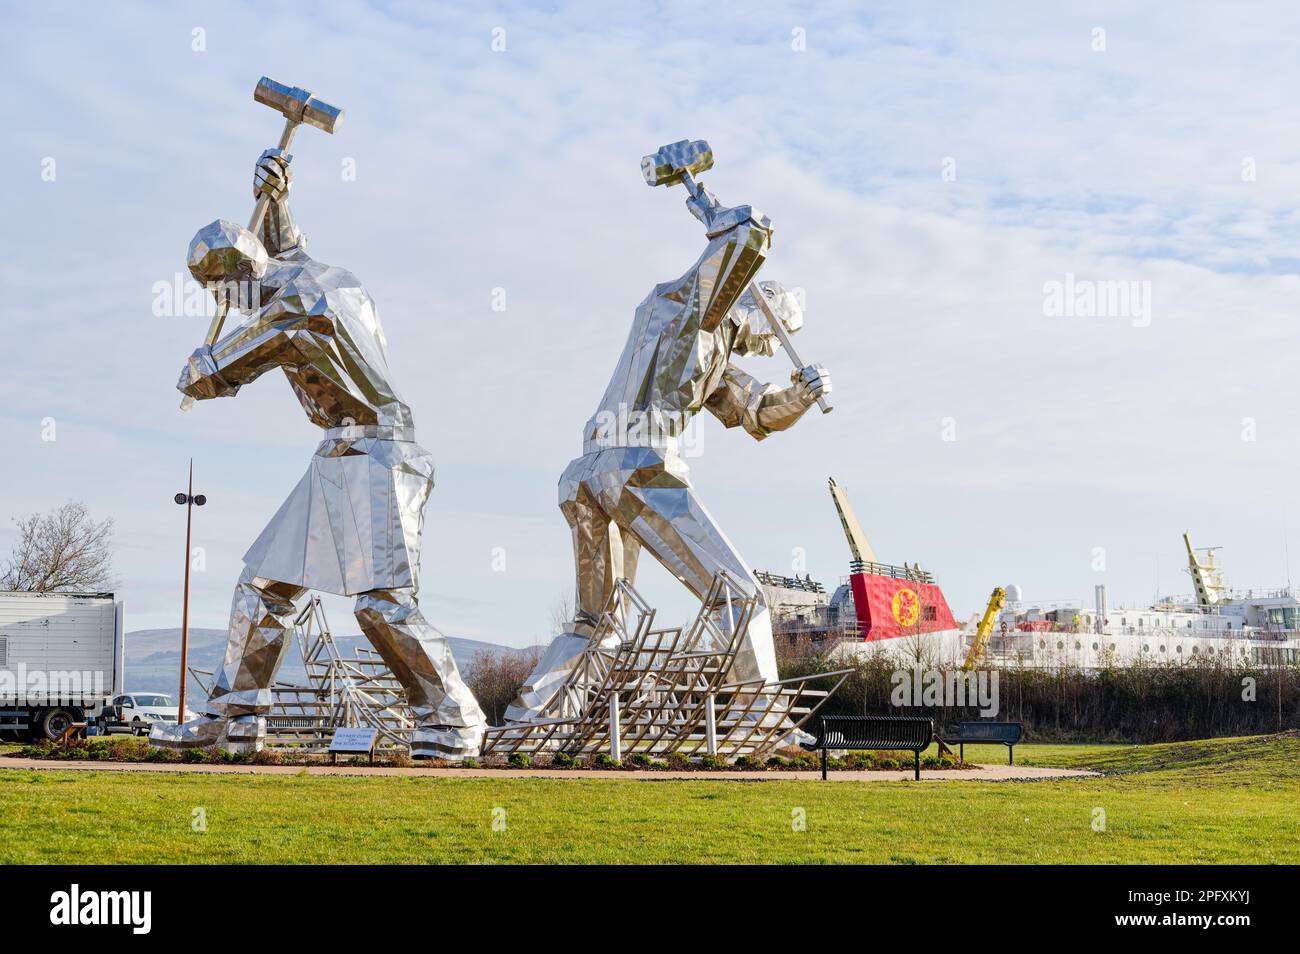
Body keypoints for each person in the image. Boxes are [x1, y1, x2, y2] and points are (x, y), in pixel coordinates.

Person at [152, 150, 486, 758]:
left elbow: (228, 366)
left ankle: (456, 719)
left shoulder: (296, 306)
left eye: (220, 291)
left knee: (382, 606)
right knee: (262, 587)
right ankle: (236, 717)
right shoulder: (320, 275)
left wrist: (200, 370)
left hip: (381, 455)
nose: (223, 303)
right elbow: (285, 252)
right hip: (337, 453)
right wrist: (276, 198)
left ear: (233, 282)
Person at [507, 179, 831, 721]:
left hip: (588, 476)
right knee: (741, 596)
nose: (771, 345)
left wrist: (800, 396)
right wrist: (722, 220)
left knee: (599, 621)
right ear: (750, 299)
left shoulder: (715, 353)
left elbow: (757, 414)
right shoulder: (686, 311)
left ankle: (531, 720)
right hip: (639, 468)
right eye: (774, 331)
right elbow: (743, 241)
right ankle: (762, 726)